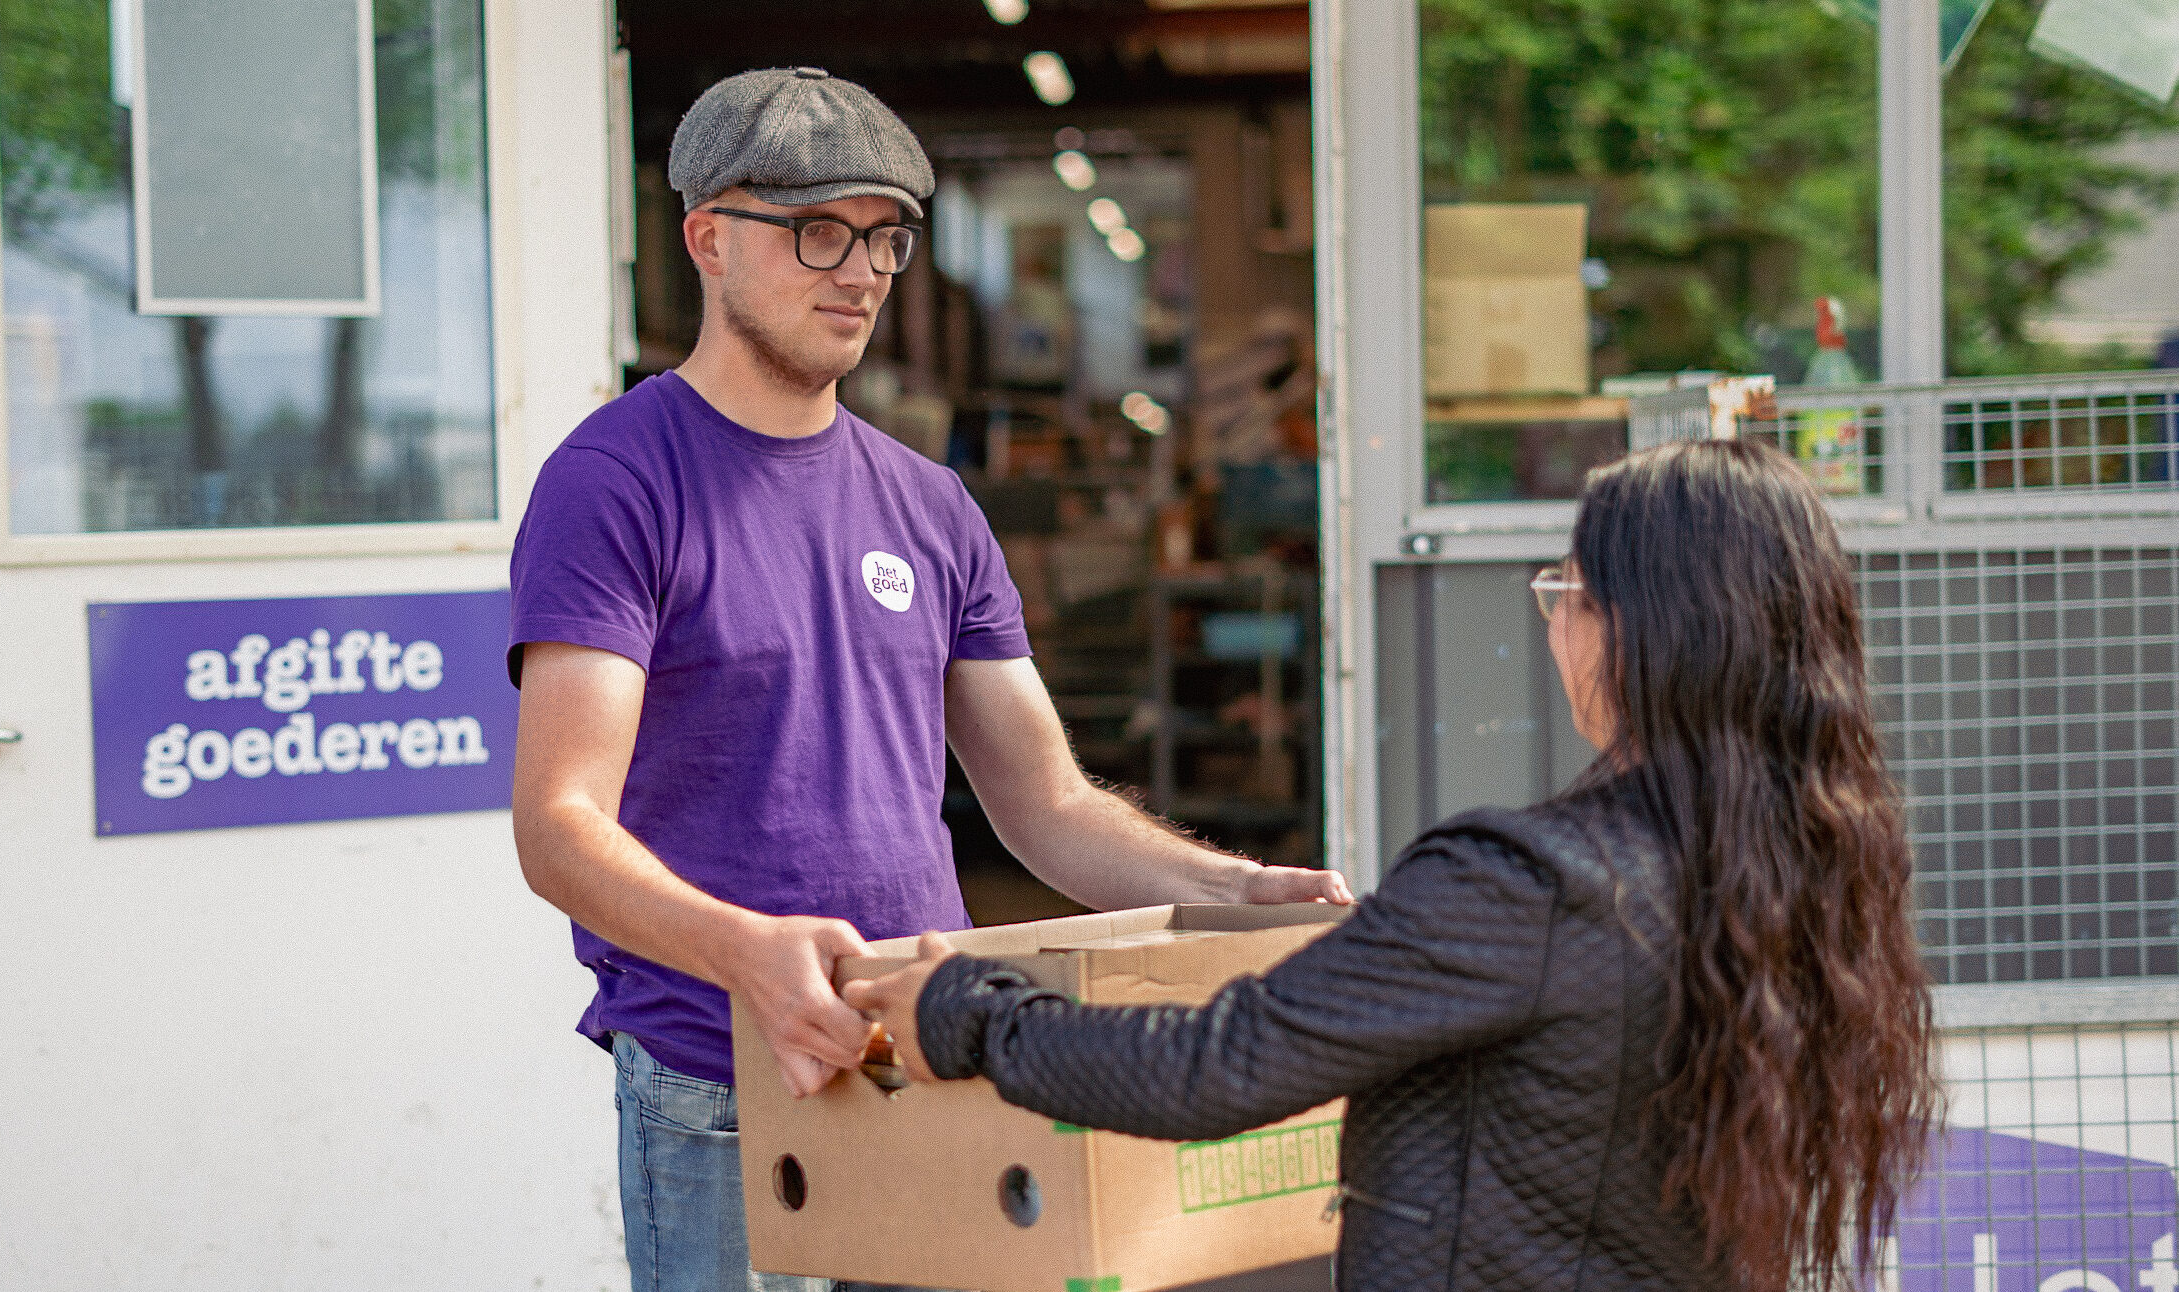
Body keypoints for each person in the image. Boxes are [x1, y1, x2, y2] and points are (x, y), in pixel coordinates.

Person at [506, 66, 1349, 1292]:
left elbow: (1046, 805)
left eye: (885, 237)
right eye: (817, 231)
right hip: (723, 1083)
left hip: (926, 1056)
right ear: (709, 241)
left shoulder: (930, 503)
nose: (859, 270)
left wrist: (1232, 886)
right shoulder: (617, 483)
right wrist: (748, 953)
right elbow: (559, 825)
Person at [850, 438, 1943, 1292]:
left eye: (1568, 587)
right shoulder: (1808, 875)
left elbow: (1212, 1067)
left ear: (1633, 630)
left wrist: (963, 1005)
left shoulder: (1525, 884)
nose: (1558, 617)